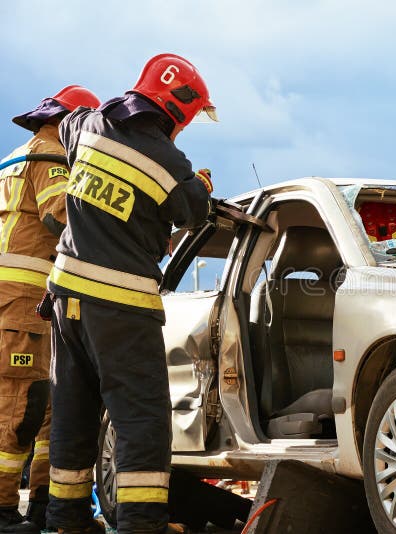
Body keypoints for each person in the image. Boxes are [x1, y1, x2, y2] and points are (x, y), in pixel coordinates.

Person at [46, 54, 216, 534]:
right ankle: (142, 524)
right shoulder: (166, 159)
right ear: (178, 110)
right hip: (121, 303)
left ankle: (67, 521)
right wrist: (199, 184)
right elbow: (193, 212)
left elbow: (67, 130)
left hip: (65, 299)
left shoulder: (87, 125)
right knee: (140, 416)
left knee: (74, 412)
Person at [0, 85, 100, 534]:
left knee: (46, 407)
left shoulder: (17, 156)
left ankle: (42, 503)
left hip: (25, 303)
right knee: (20, 405)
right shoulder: (50, 156)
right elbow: (61, 216)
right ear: (68, 122)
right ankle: (3, 510)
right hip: (22, 302)